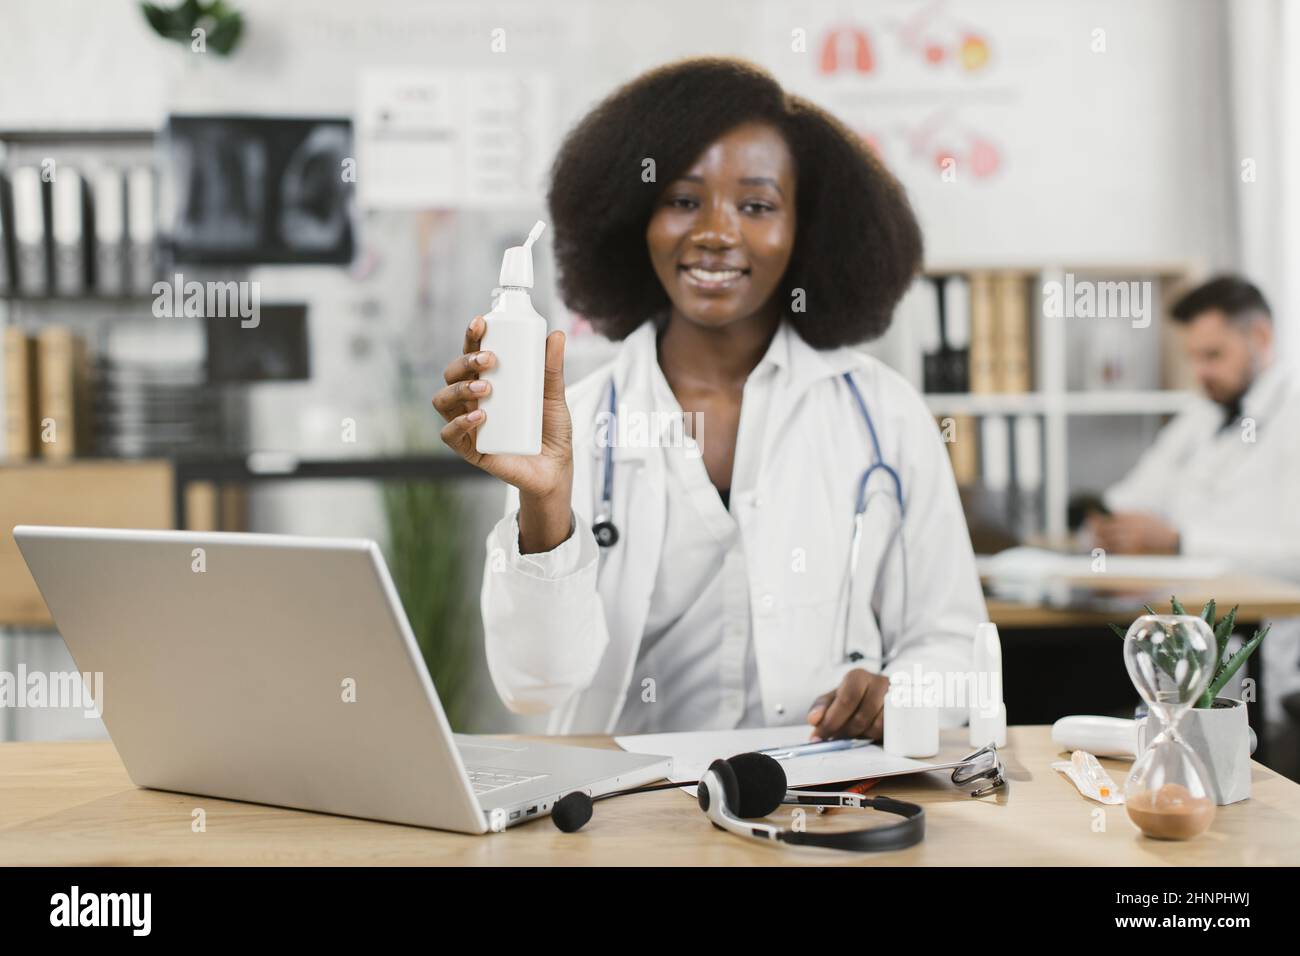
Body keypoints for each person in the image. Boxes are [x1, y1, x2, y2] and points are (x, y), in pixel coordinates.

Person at [433, 57, 986, 737]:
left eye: (756, 205)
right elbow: (533, 685)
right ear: (637, 218)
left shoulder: (884, 414)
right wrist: (544, 501)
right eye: (683, 200)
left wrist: (903, 694)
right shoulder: (570, 421)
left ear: (802, 229)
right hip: (627, 821)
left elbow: (959, 651)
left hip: (819, 811)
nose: (717, 232)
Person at [1091, 276, 1300, 576]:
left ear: (1262, 337)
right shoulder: (1200, 413)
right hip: (1185, 605)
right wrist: (1109, 522)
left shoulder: (1293, 416)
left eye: (1213, 355)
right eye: (1192, 358)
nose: (1199, 373)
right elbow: (1136, 494)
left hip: (1264, 618)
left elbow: (1294, 552)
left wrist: (1180, 541)